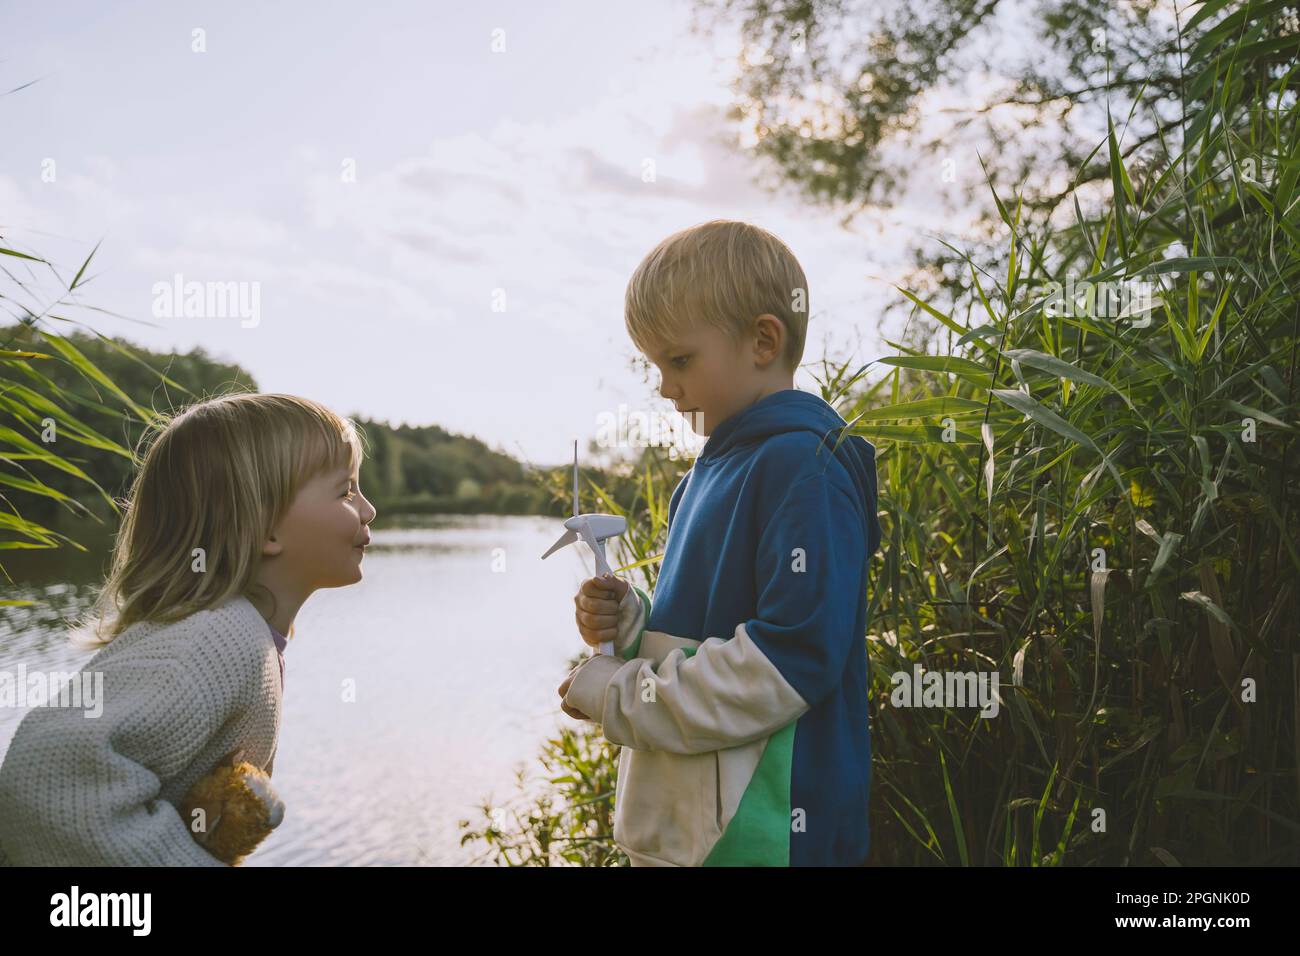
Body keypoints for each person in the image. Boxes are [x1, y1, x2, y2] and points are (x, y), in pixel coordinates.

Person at [560, 220, 882, 866]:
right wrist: (630, 625)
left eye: (678, 360)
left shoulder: (801, 467)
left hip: (766, 836)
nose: (664, 386)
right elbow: (707, 630)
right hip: (694, 837)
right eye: (654, 365)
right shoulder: (701, 479)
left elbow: (788, 663)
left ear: (765, 340)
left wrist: (622, 694)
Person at [0, 392, 376, 865]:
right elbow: (47, 777)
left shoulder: (244, 634)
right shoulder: (217, 639)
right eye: (345, 491)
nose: (368, 510)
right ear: (265, 528)